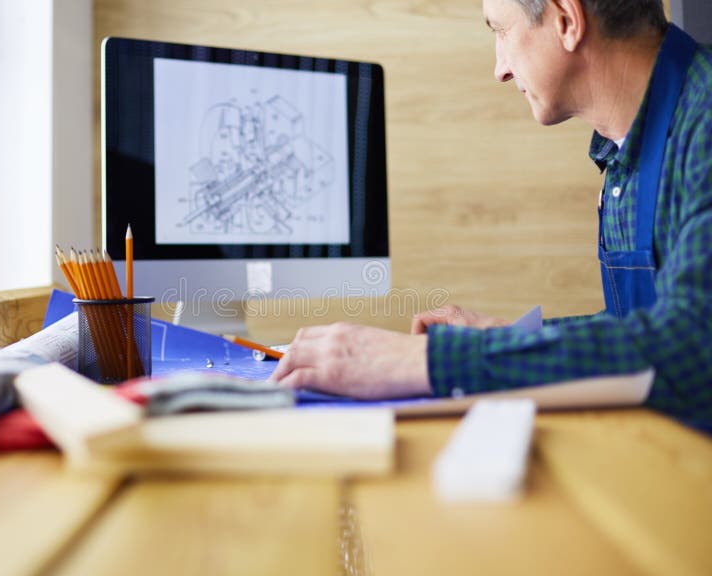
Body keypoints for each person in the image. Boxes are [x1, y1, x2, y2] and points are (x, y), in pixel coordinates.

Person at [271, 0, 712, 433]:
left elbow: (692, 344)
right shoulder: (628, 151)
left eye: (501, 30)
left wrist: (421, 362)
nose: (499, 69)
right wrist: (502, 338)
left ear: (566, 20)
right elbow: (641, 327)